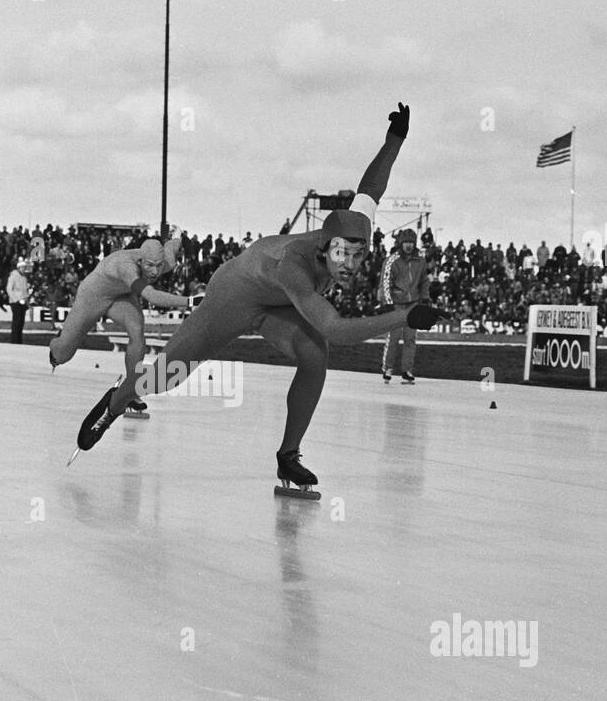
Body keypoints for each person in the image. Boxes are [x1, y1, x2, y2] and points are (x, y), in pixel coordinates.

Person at [73, 100, 450, 495]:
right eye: (343, 254)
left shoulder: (353, 227)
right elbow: (335, 328)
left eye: (359, 255)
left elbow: (371, 189)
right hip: (233, 296)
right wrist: (403, 316)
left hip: (276, 303)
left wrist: (395, 140)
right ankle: (115, 402)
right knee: (165, 378)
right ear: (324, 247)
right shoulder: (293, 265)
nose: (351, 264)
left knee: (314, 354)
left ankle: (289, 456)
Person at [49, 234, 189, 415]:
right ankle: (55, 345)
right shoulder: (126, 266)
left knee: (137, 330)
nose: (155, 272)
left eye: (158, 266)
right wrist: (190, 301)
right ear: (139, 261)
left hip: (121, 295)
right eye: (149, 266)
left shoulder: (165, 261)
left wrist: (180, 239)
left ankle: (131, 391)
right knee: (62, 355)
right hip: (93, 296)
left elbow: (172, 246)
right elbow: (151, 296)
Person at [379, 227, 431, 383]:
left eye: (411, 243)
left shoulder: (420, 260)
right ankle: (387, 367)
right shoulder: (392, 261)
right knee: (394, 336)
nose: (408, 246)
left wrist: (425, 299)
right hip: (396, 304)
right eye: (406, 242)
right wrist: (388, 303)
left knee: (410, 338)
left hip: (413, 304)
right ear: (400, 244)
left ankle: (407, 370)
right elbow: (385, 282)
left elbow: (424, 281)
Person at [7, 259, 30, 343]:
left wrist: (26, 299)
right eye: (22, 267)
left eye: (24, 267)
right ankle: (14, 339)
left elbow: (24, 291)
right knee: (16, 321)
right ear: (18, 268)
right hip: (16, 302)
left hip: (23, 301)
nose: (23, 269)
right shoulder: (13, 277)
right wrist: (15, 299)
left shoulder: (24, 278)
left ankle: (19, 340)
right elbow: (9, 289)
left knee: (21, 321)